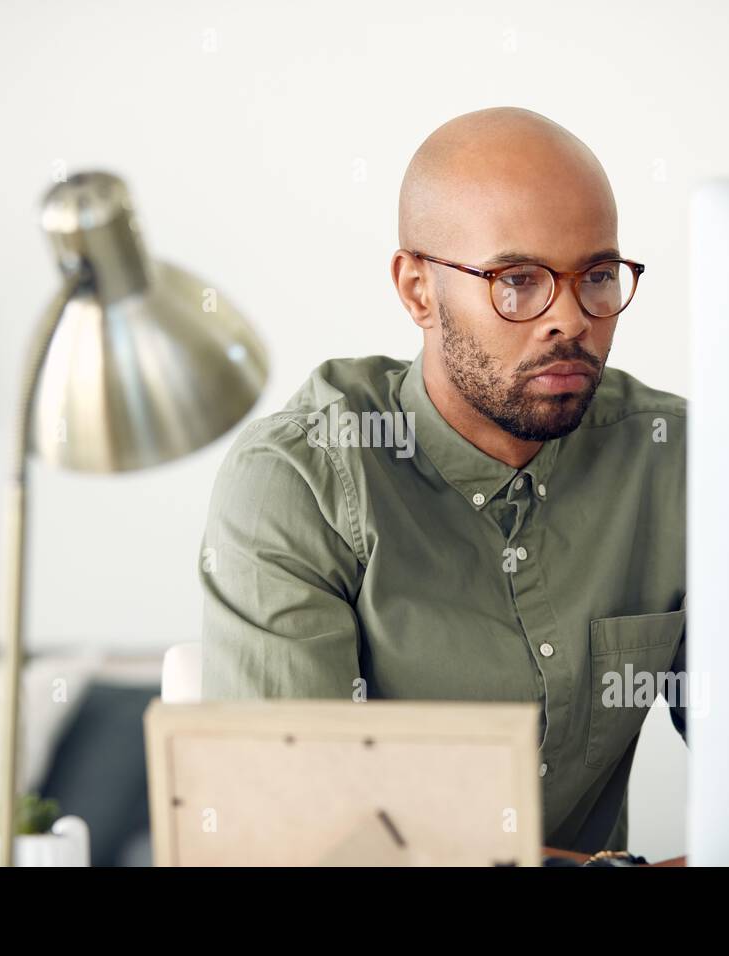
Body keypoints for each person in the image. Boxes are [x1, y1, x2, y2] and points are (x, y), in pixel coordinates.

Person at [199, 106, 687, 854]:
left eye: (596, 276)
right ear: (418, 290)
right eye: (516, 280)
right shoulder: (300, 484)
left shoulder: (674, 460)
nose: (570, 319)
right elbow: (293, 841)